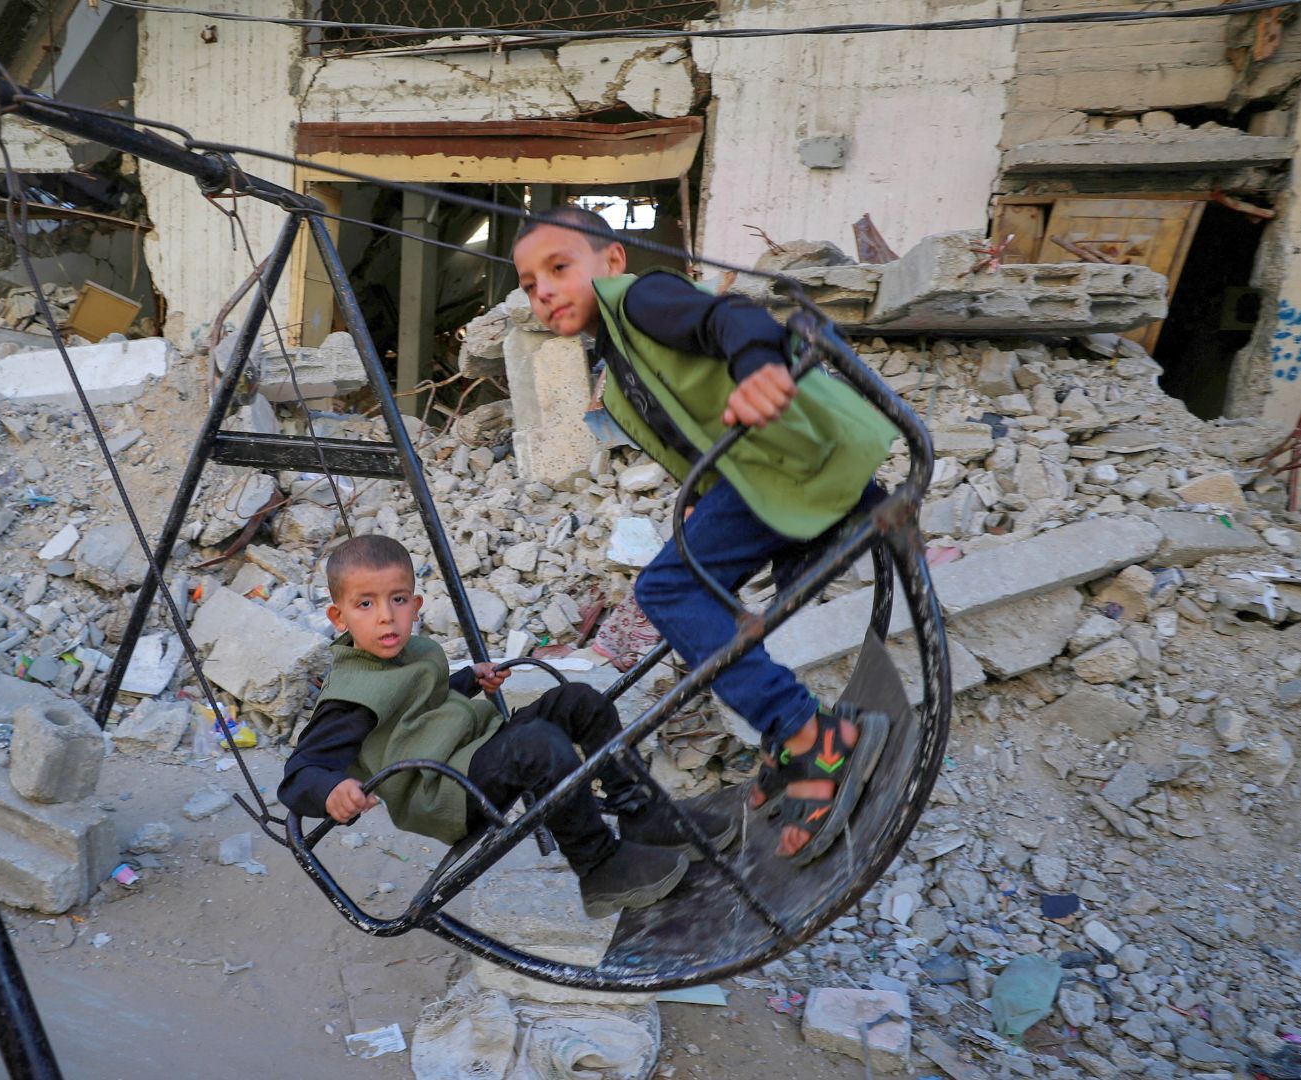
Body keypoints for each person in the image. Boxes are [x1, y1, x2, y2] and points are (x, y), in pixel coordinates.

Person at [511, 206, 899, 868]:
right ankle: (792, 734)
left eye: (557, 268)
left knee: (666, 586)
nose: (542, 290)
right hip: (765, 476)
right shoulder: (616, 351)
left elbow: (732, 318)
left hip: (793, 462)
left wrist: (755, 367)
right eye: (527, 283)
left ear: (609, 263)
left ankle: (810, 736)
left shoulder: (639, 299)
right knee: (692, 588)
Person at [280, 535, 739, 919]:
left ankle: (642, 812)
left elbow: (417, 696)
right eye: (365, 604)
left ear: (416, 603)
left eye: (397, 600)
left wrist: (467, 680)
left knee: (579, 700)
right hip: (446, 791)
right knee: (538, 744)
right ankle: (599, 867)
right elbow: (302, 770)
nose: (385, 616)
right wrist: (330, 791)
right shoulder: (349, 697)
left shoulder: (408, 650)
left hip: (474, 750)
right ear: (338, 618)